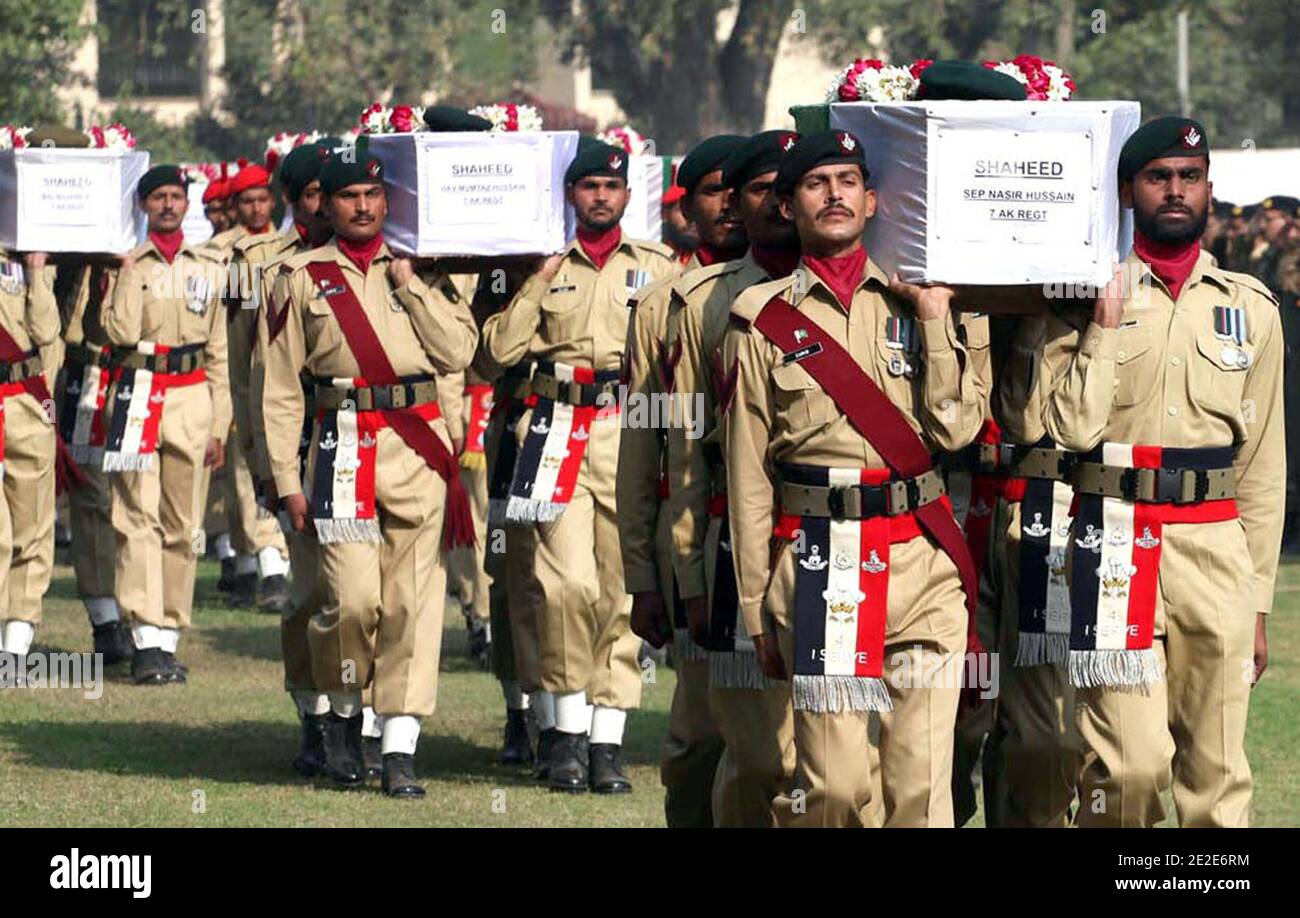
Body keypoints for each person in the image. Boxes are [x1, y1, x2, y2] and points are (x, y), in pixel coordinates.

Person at [722, 130, 986, 827]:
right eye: (815, 182)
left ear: (872, 200)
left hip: (921, 561)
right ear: (788, 205)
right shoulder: (758, 323)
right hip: (820, 562)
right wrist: (756, 608)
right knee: (833, 788)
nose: (834, 193)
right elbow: (749, 476)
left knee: (920, 791)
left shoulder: (924, 299)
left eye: (847, 179)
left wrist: (933, 321)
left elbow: (956, 431)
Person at [1040, 117, 1281, 827]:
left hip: (1217, 552)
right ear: (1126, 191)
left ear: (1208, 188)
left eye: (1189, 176)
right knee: (1130, 767)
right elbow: (1071, 429)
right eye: (1157, 176)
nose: (1175, 190)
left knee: (1217, 775)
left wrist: (1259, 599)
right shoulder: (1083, 294)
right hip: (1114, 540)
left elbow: (1263, 466)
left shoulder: (1251, 307)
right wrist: (1105, 326)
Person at [263, 140, 478, 797]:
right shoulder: (299, 277)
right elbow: (276, 387)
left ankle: (401, 747)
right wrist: (285, 480)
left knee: (414, 605)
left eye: (373, 196)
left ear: (390, 201)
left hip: (418, 446)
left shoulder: (426, 268)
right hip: (341, 443)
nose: (362, 206)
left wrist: (412, 285)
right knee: (352, 601)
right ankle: (346, 717)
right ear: (326, 205)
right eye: (349, 196)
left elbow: (459, 350)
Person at [482, 140, 679, 793]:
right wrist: (537, 279)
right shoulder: (545, 264)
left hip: (628, 428)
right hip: (553, 426)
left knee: (623, 588)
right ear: (571, 195)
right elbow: (497, 354)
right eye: (588, 185)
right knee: (563, 586)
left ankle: (606, 742)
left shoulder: (657, 266)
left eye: (611, 186)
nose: (600, 196)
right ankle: (563, 733)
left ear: (627, 194)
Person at [664, 129, 804, 827]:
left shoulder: (866, 289)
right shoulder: (701, 302)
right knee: (746, 754)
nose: (780, 203)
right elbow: (678, 451)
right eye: (759, 190)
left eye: (791, 185)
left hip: (847, 534)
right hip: (735, 541)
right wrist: (679, 575)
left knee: (832, 758)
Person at [619, 133, 745, 825]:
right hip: (698, 543)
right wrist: (643, 575)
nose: (729, 204)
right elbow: (642, 448)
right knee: (699, 739)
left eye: (744, 188)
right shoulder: (662, 306)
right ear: (686, 211)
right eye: (713, 191)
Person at [101, 165, 231, 685]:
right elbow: (121, 331)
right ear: (143, 206)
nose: (169, 205)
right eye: (159, 197)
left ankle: (171, 631)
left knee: (184, 523)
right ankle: (145, 635)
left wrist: (219, 423)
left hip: (192, 395)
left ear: (188, 203)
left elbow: (220, 349)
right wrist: (127, 272)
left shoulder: (210, 266)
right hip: (137, 391)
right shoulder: (130, 263)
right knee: (135, 515)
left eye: (177, 196)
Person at [246, 139, 336, 775]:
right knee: (310, 592)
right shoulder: (264, 266)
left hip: (367, 436)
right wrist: (262, 462)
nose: (329, 206)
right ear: (296, 202)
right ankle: (313, 713)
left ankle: (360, 715)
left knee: (361, 591)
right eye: (315, 195)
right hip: (297, 448)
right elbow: (249, 374)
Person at [218, 161, 290, 609]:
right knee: (247, 475)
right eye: (248, 200)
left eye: (263, 198)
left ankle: (275, 561)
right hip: (243, 374)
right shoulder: (227, 253)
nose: (257, 206)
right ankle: (266, 563)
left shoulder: (287, 245)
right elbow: (234, 331)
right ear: (235, 205)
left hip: (282, 379)